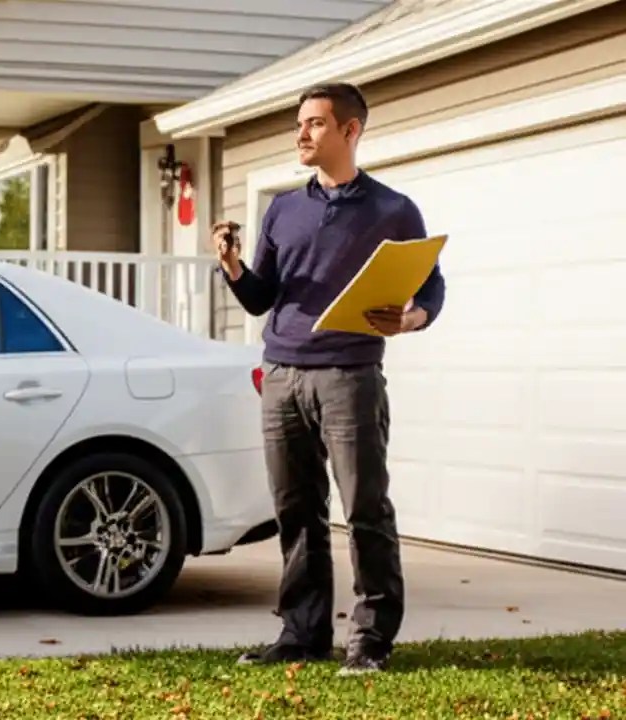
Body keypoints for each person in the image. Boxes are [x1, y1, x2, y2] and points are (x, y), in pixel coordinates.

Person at [211, 82, 445, 676]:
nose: (303, 133)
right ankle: (302, 633)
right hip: (283, 376)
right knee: (297, 511)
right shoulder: (283, 209)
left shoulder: (394, 210)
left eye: (315, 123)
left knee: (365, 509)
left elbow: (431, 286)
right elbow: (262, 298)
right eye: (300, 123)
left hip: (350, 377)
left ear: (350, 130)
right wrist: (234, 267)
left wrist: (411, 317)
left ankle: (370, 641)